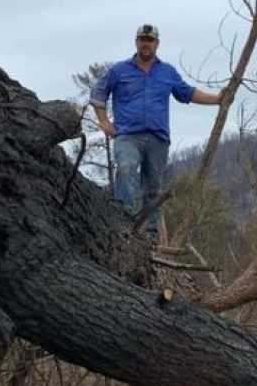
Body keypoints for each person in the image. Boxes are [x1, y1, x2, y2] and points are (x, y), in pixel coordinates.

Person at [90, 24, 222, 239]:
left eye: (150, 40)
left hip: (158, 138)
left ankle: (149, 238)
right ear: (136, 42)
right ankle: (125, 227)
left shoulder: (167, 72)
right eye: (142, 39)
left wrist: (217, 99)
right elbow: (98, 92)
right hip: (127, 135)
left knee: (152, 187)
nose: (145, 43)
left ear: (157, 44)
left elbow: (187, 93)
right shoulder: (119, 70)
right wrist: (104, 122)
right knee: (126, 168)